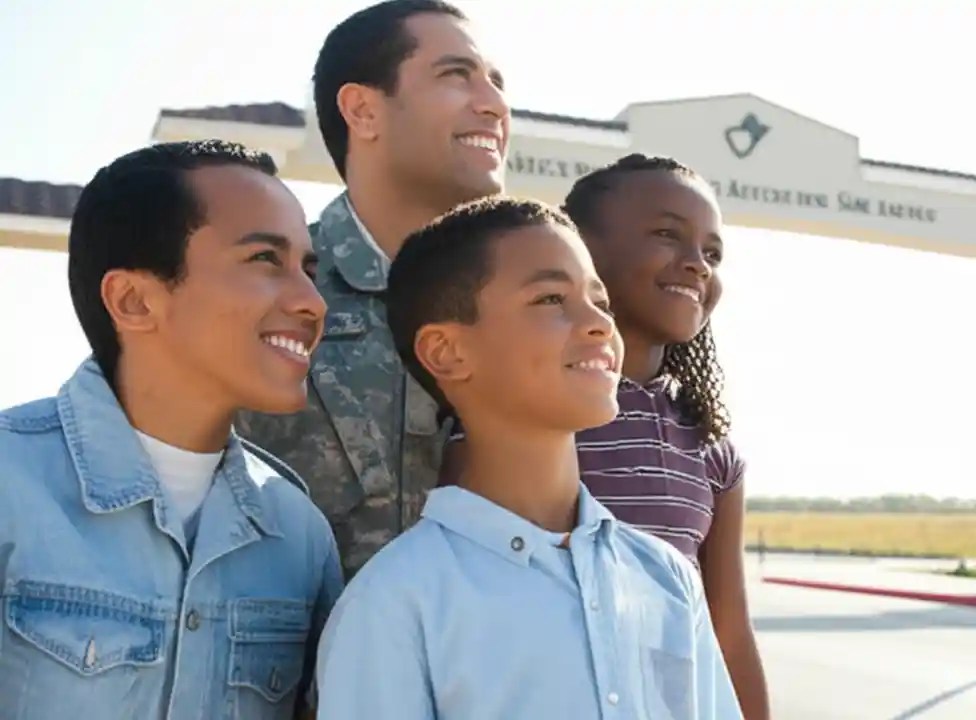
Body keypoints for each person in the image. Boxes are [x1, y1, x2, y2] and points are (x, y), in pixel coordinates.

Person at [314, 196, 743, 720]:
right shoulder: (396, 603)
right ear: (447, 352)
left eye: (600, 302)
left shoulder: (667, 578)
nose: (598, 325)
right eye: (549, 299)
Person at [0, 140, 343, 720]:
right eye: (265, 259)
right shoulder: (11, 483)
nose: (313, 303)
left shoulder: (299, 536)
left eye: (309, 270)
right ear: (133, 300)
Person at [442, 153, 771, 718]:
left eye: (712, 253)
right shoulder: (520, 412)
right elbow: (456, 582)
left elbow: (730, 634)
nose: (697, 265)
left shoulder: (711, 448)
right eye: (668, 235)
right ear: (579, 251)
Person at [235, 0, 511, 578]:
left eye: (496, 82)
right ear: (363, 110)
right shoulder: (257, 296)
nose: (494, 104)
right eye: (456, 75)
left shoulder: (537, 311)